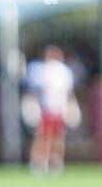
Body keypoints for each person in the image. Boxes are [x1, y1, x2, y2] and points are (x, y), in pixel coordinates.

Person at [24, 45, 77, 175]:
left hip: (59, 109)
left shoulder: (64, 72)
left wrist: (71, 107)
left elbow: (69, 92)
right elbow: (33, 92)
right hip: (44, 109)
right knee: (42, 136)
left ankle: (55, 161)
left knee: (58, 137)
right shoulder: (40, 71)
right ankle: (39, 162)